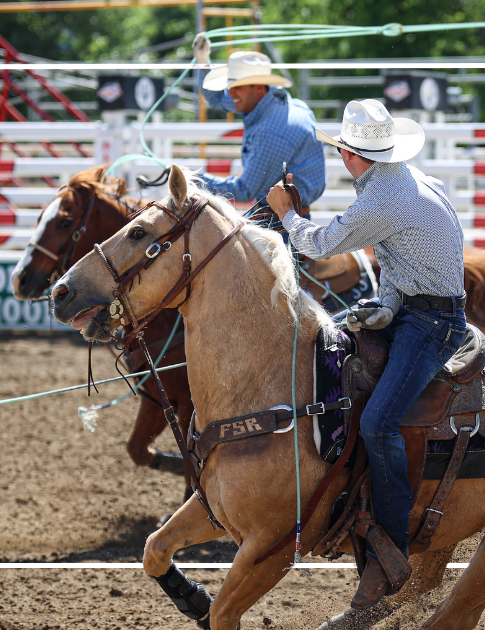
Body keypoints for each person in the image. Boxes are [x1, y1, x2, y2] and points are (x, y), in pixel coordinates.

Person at [265, 99, 469, 610]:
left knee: (379, 423)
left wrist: (286, 215)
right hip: (416, 309)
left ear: (355, 155)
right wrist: (385, 305)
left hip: (430, 325)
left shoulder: (382, 199)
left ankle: (392, 547)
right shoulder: (411, 181)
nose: (341, 158)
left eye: (342, 151)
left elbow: (321, 245)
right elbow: (407, 257)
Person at [192, 34, 324, 208]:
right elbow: (217, 98)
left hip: (281, 220)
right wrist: (204, 64)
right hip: (287, 213)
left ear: (259, 89)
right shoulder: (274, 104)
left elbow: (245, 190)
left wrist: (194, 179)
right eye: (230, 87)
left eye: (236, 87)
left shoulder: (270, 131)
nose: (230, 93)